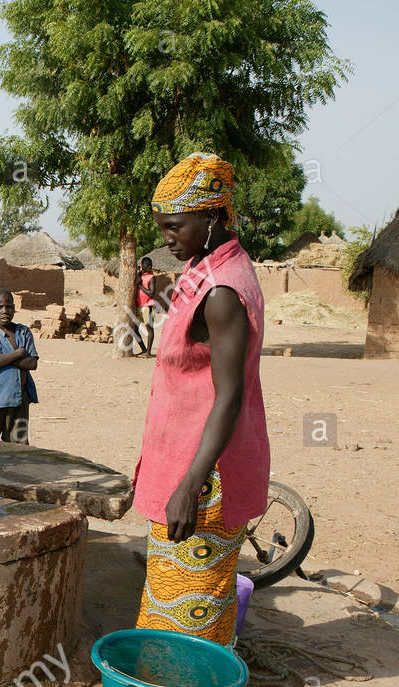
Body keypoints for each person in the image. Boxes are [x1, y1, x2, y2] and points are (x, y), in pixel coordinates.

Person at [132, 152, 270, 647]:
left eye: (174, 226)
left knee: (180, 620)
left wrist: (190, 485)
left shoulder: (221, 292)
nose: (166, 238)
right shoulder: (210, 269)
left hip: (204, 475)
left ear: (211, 216)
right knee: (198, 605)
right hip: (188, 463)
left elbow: (229, 396)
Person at [0, 288, 38, 443]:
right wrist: (18, 353)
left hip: (20, 402)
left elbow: (32, 363)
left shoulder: (23, 332)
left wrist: (0, 358)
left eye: (9, 306)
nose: (5, 311)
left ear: (14, 308)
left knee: (21, 449)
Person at [130, 257, 157, 356]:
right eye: (146, 265)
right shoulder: (140, 275)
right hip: (139, 306)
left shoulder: (151, 277)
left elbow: (151, 293)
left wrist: (140, 285)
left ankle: (148, 352)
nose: (149, 267)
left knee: (149, 329)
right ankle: (144, 349)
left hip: (147, 306)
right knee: (134, 329)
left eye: (150, 265)